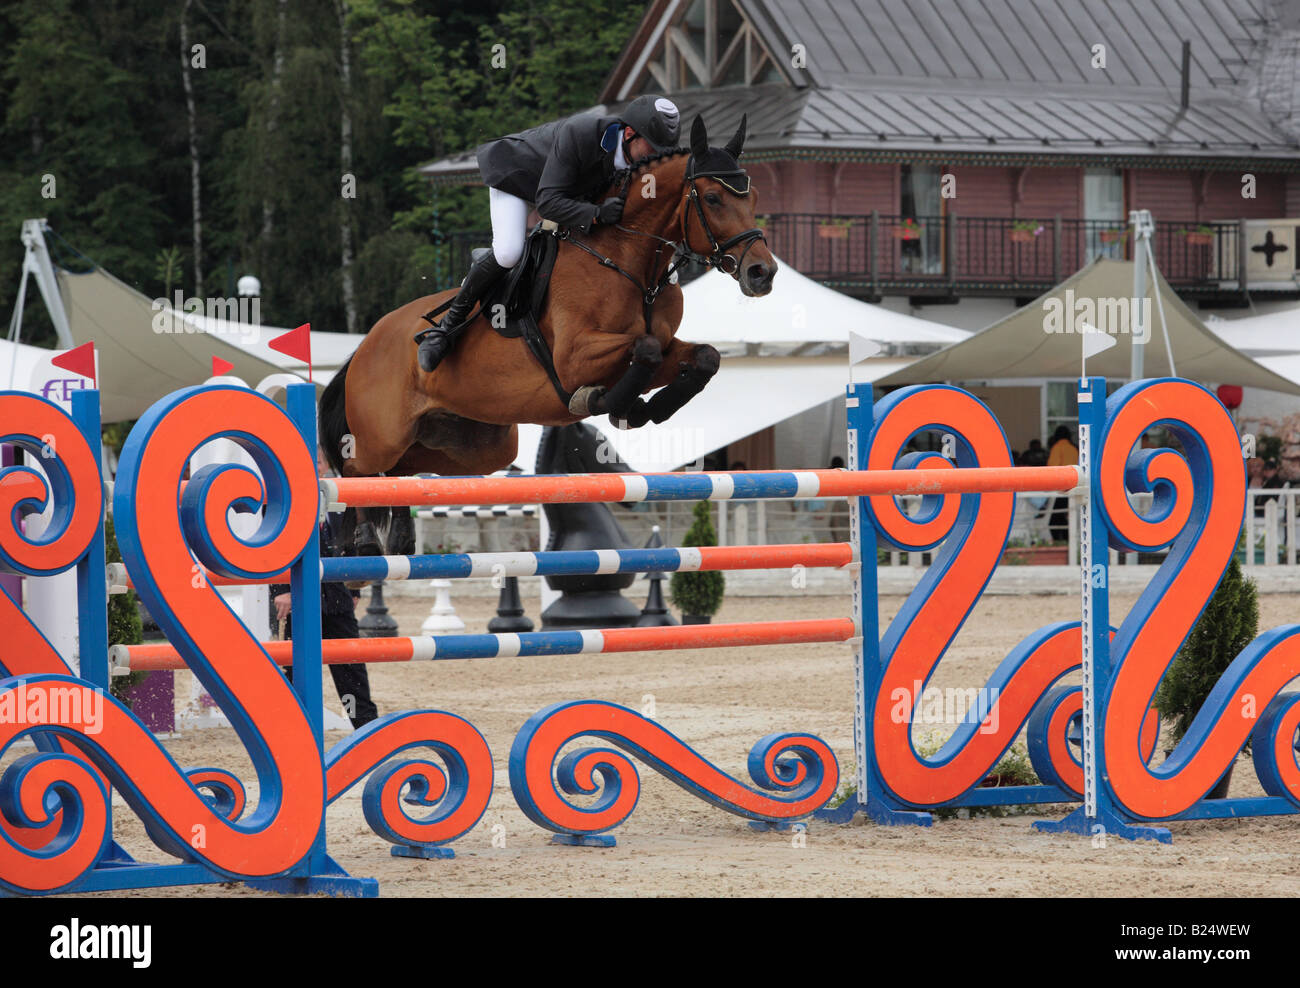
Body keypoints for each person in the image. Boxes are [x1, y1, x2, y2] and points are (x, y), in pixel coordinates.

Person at [416, 94, 683, 373]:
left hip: (565, 192)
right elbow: (547, 203)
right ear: (629, 134)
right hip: (519, 179)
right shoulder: (582, 134)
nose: (657, 158)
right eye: (653, 149)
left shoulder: (640, 161)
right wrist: (596, 214)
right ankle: (446, 328)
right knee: (509, 253)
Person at [1047, 426, 1078, 542]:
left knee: (1054, 520)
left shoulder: (1057, 448)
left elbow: (1052, 467)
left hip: (1060, 489)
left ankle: (1061, 542)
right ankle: (1067, 542)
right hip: (1074, 487)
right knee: (1063, 517)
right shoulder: (1073, 449)